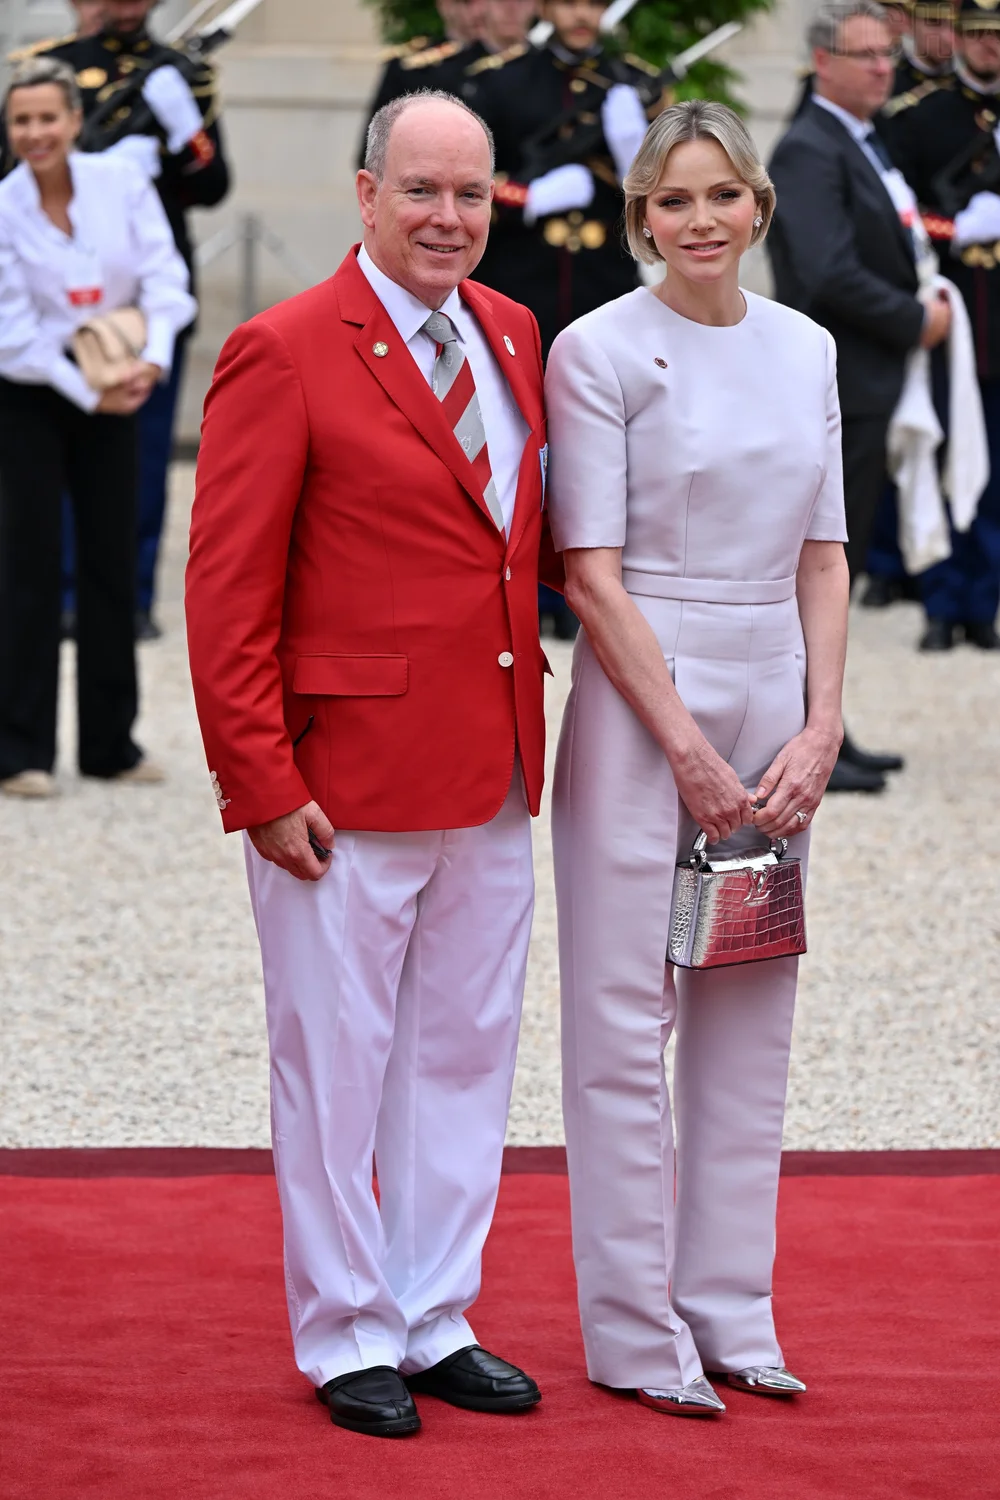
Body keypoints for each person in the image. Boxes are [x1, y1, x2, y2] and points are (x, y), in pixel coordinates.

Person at [186, 90, 556, 1439]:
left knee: (461, 1057)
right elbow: (226, 590)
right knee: (336, 1067)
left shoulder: (515, 334)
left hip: (498, 770)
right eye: (421, 191)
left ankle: (433, 1309)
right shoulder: (280, 350)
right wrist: (262, 780)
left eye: (470, 192)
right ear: (364, 195)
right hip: (338, 788)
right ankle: (346, 1326)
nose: (449, 217)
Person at [545, 99, 848, 1418]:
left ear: (757, 207)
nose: (701, 220)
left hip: (773, 690)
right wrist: (682, 743)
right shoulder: (596, 346)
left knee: (748, 1004)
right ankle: (630, 1328)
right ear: (641, 219)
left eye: (721, 195)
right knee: (624, 1015)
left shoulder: (807, 347)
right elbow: (589, 573)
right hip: (637, 695)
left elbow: (826, 554)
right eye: (674, 201)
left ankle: (731, 1307)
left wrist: (822, 722)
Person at [768, 0, 951, 791]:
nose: (885, 67)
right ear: (823, 62)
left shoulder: (861, 140)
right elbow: (825, 271)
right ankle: (804, 738)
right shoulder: (810, 148)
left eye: (889, 53)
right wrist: (916, 319)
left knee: (836, 562)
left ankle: (829, 727)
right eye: (868, 54)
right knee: (817, 564)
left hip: (872, 382)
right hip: (837, 382)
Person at [0, 58, 195, 799]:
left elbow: (166, 282)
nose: (36, 132)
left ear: (76, 121)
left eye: (49, 117)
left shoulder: (123, 183)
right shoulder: (4, 207)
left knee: (114, 560)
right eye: (22, 120)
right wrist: (91, 391)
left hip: (122, 381)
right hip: (32, 393)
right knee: (30, 565)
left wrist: (144, 365)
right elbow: (13, 333)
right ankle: (20, 749)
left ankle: (110, 744)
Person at [43, 0, 230, 640]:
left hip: (151, 293)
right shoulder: (49, 71)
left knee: (145, 457)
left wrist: (186, 130)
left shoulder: (179, 73)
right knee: (63, 446)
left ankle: (130, 597)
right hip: (67, 287)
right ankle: (65, 592)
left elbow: (212, 184)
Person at [887, 0, 1000, 649]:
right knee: (938, 459)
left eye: (996, 36)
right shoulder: (920, 116)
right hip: (950, 318)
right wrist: (960, 228)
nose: (988, 47)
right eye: (977, 34)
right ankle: (939, 601)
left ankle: (983, 605)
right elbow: (901, 218)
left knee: (996, 476)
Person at [359, 0, 489, 158]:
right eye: (468, 3)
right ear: (445, 6)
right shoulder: (413, 67)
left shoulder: (514, 62)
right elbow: (374, 147)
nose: (480, 11)